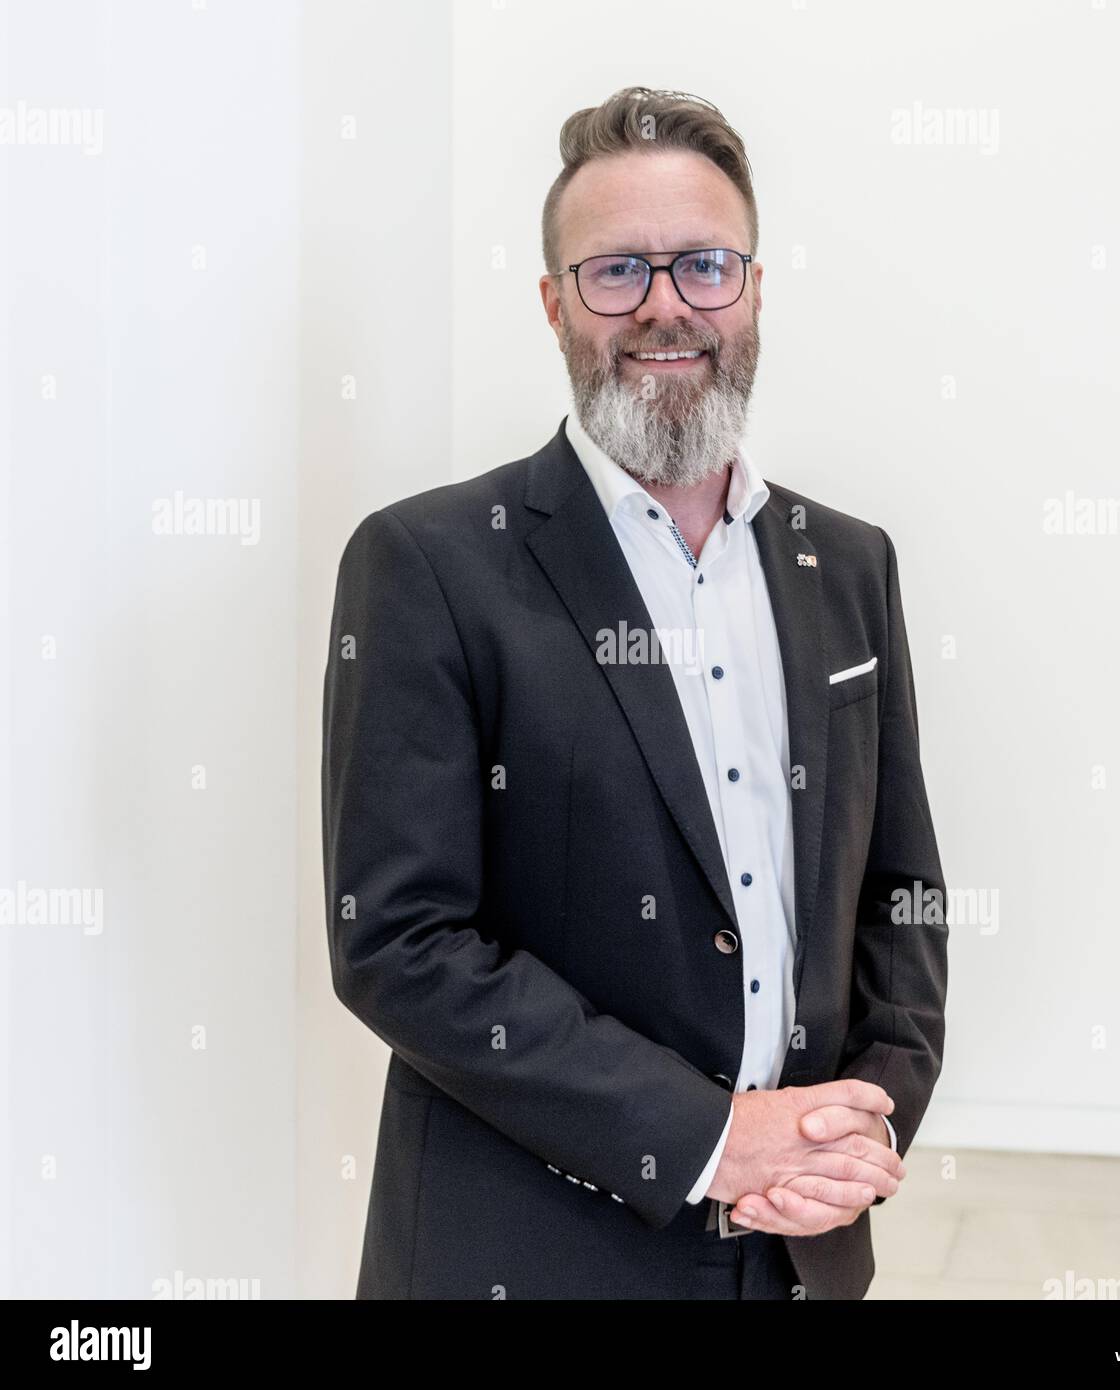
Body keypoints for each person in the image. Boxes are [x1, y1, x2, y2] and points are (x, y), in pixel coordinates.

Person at [321, 86, 948, 1300]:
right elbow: (398, 944)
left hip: (796, 1254)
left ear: (754, 290)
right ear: (555, 304)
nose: (666, 305)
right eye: (616, 272)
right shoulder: (430, 564)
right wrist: (718, 1138)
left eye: (705, 266)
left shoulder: (851, 564)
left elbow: (901, 885)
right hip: (528, 1255)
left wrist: (856, 1126)